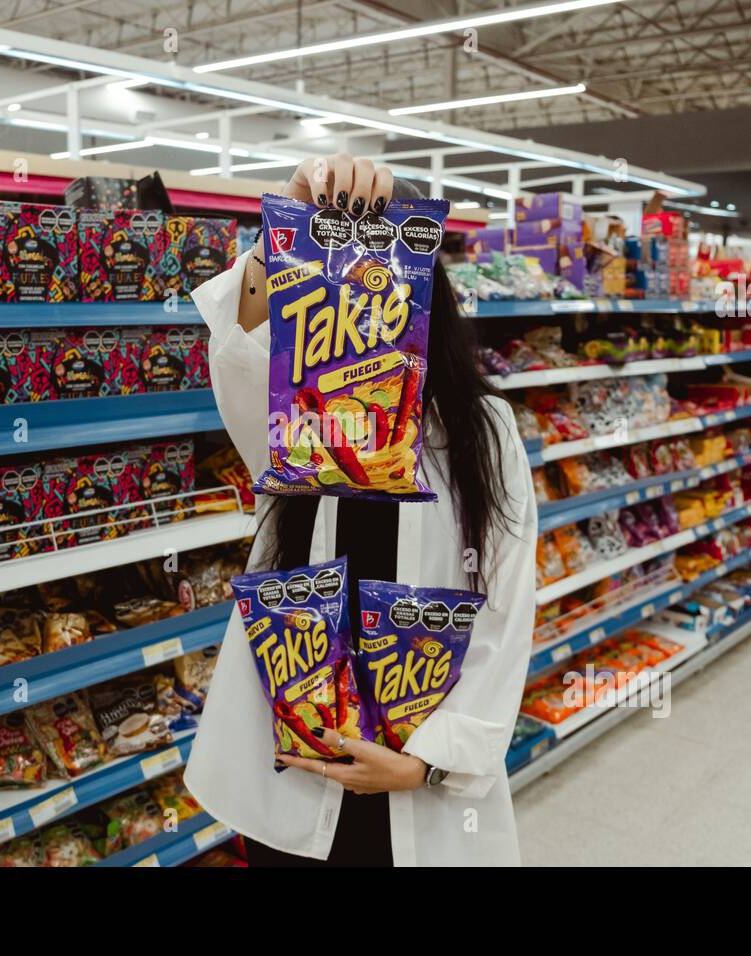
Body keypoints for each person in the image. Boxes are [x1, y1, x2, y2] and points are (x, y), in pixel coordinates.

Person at [183, 154, 537, 866]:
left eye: (383, 284)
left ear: (422, 294)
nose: (361, 303)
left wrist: (430, 760)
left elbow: (506, 609)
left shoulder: (482, 431)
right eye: (334, 281)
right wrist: (288, 228)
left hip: (420, 787)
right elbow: (239, 352)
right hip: (294, 772)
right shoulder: (299, 419)